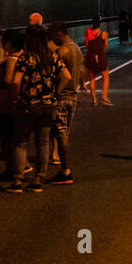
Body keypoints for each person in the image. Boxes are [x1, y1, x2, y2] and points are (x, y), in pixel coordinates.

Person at [11, 23, 69, 192]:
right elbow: (66, 76)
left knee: (21, 142)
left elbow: (15, 81)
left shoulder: (25, 58)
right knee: (43, 143)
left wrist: (18, 97)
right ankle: (38, 180)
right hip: (47, 105)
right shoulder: (51, 56)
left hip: (28, 105)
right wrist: (54, 93)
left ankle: (17, 181)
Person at [46, 23, 82, 185]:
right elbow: (81, 72)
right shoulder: (76, 48)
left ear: (60, 33)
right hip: (73, 96)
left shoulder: (62, 51)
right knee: (64, 132)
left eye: (53, 36)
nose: (52, 39)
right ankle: (64, 169)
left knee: (61, 134)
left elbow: (57, 74)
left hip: (62, 96)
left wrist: (54, 92)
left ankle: (66, 170)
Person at [0, 28, 24, 188]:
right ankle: (14, 169)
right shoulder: (23, 57)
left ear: (8, 44)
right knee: (13, 139)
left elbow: (8, 82)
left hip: (6, 106)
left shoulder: (11, 60)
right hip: (14, 105)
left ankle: (12, 170)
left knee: (7, 139)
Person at [84, 19, 110, 106]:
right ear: (99, 24)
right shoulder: (104, 33)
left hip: (90, 57)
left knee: (91, 79)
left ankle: (94, 100)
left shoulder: (87, 32)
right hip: (101, 57)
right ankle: (104, 97)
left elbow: (87, 46)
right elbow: (106, 47)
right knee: (105, 77)